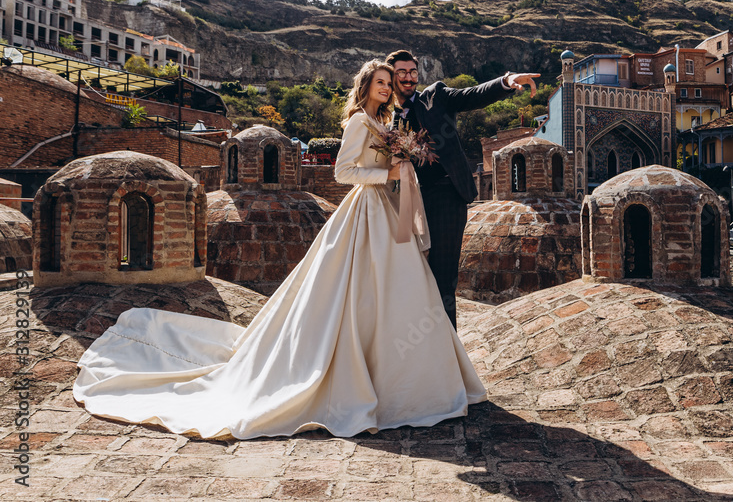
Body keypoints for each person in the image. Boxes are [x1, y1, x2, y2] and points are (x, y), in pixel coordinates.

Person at [73, 59, 486, 440]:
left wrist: (398, 167)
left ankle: (407, 377)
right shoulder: (360, 121)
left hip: (384, 210)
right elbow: (343, 172)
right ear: (365, 86)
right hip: (366, 210)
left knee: (399, 289)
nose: (385, 87)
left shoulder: (385, 121)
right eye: (379, 82)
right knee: (362, 289)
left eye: (387, 83)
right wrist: (388, 171)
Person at [386, 49, 539, 327]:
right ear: (391, 77)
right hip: (408, 202)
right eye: (402, 73)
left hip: (446, 195)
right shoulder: (386, 119)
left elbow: (473, 95)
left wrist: (506, 81)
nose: (409, 78)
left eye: (413, 72)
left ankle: (446, 343)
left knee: (443, 275)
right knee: (413, 273)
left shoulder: (435, 96)